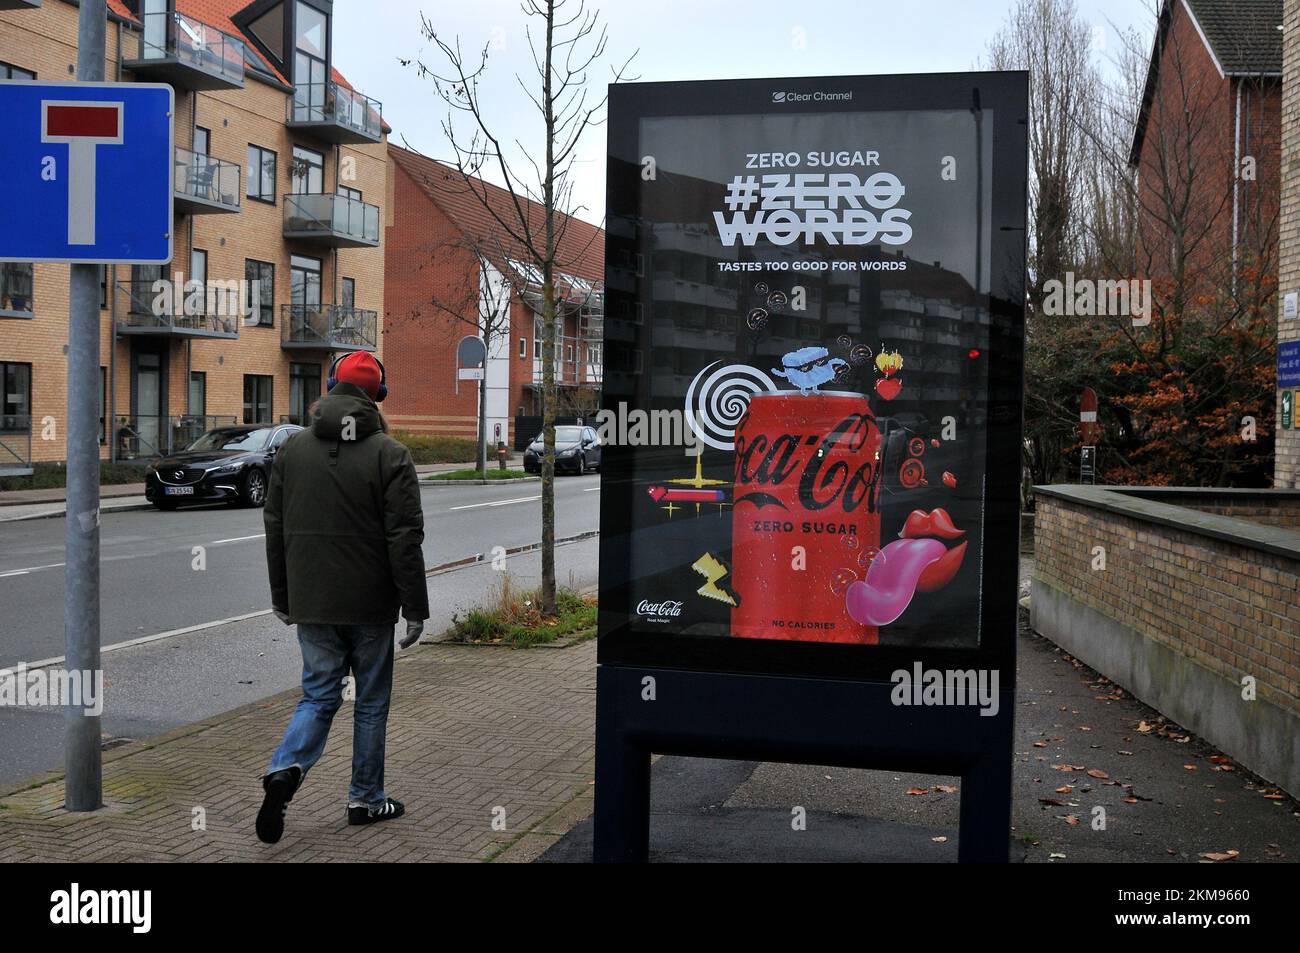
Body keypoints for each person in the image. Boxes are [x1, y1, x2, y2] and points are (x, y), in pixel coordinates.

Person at [256, 351, 429, 845]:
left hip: (312, 601)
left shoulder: (291, 450)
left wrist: (283, 596)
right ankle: (365, 799)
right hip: (371, 605)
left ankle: (285, 770)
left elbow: (275, 528)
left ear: (330, 388)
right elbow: (405, 538)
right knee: (370, 703)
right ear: (378, 396)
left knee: (319, 695)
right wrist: (414, 608)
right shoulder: (391, 455)